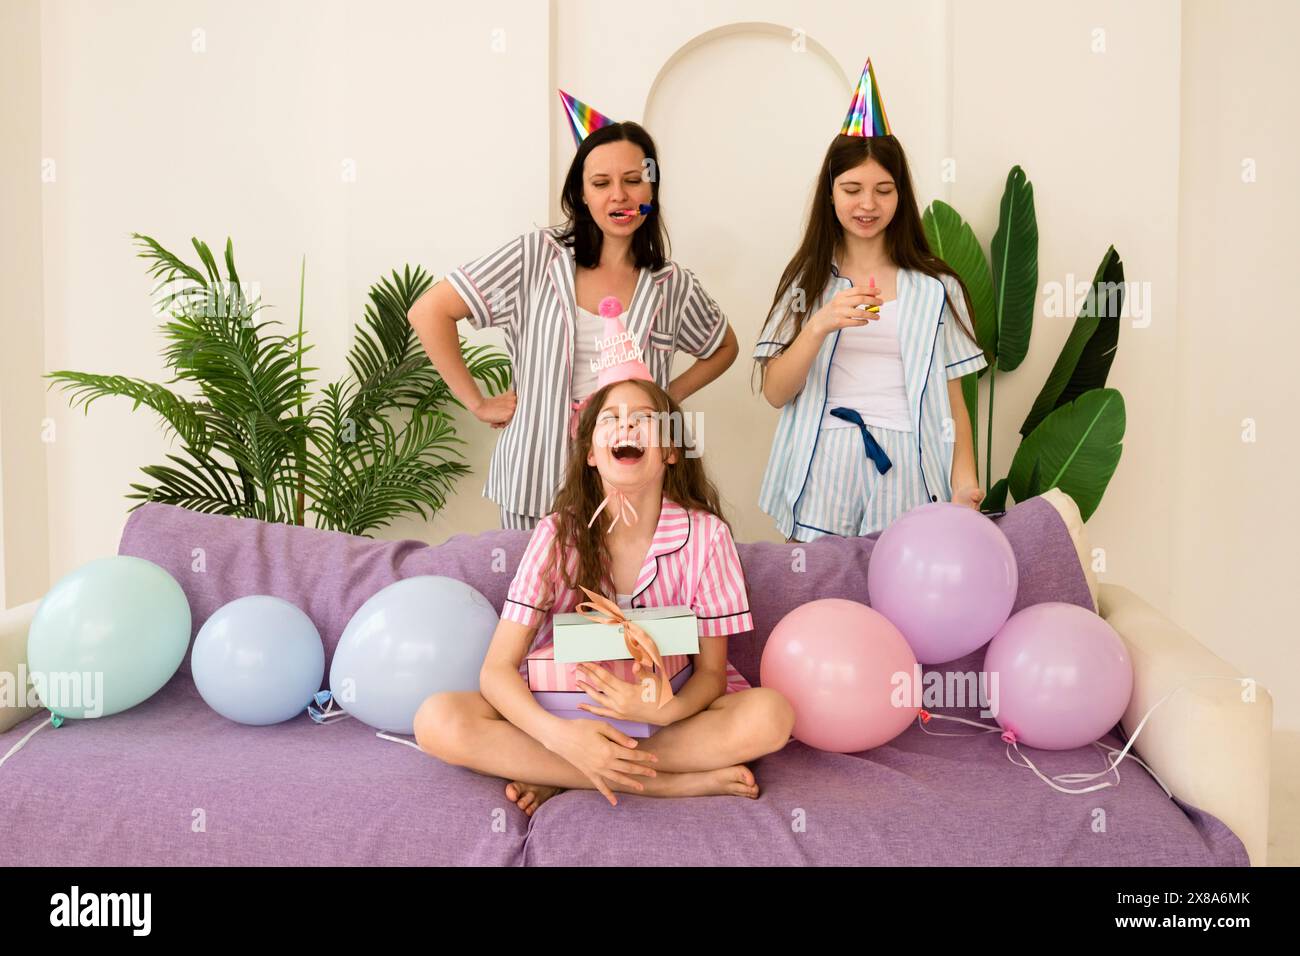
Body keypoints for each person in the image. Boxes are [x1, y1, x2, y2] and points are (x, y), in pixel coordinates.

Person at [414, 305, 793, 815]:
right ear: (591, 452)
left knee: (770, 716)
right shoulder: (557, 534)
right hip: (564, 712)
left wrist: (661, 711)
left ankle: (566, 777)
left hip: (671, 713)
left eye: (642, 420)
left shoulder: (707, 536)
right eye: (610, 420)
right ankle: (657, 782)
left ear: (671, 451)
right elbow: (497, 671)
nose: (625, 428)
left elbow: (709, 674)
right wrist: (560, 737)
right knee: (436, 719)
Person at [407, 91, 739, 530]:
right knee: (538, 597)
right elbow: (430, 311)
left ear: (652, 188)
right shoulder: (535, 257)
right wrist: (477, 402)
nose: (619, 196)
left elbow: (724, 346)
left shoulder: (671, 284)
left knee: (619, 598)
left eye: (634, 180)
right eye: (601, 183)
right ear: (582, 194)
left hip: (631, 486)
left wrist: (666, 397)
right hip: (536, 484)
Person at [753, 60, 989, 542]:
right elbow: (776, 391)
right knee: (817, 600)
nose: (867, 205)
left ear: (900, 196)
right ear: (830, 194)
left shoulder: (936, 287)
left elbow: (955, 403)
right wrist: (820, 325)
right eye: (852, 189)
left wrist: (964, 484)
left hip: (910, 465)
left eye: (884, 190)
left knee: (899, 604)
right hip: (825, 459)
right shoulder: (808, 279)